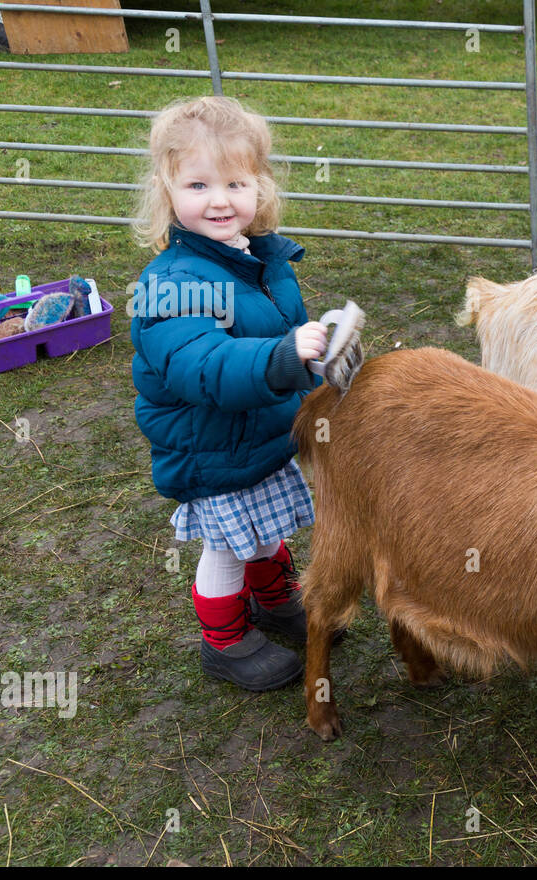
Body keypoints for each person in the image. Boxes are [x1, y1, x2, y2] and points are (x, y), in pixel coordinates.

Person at [130, 96, 328, 691]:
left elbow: (281, 328)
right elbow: (204, 368)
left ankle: (274, 600)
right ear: (168, 190)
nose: (219, 199)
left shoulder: (264, 259)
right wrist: (285, 357)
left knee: (265, 528)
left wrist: (314, 361)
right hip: (210, 448)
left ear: (260, 186)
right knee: (227, 547)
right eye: (198, 184)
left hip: (261, 434)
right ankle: (224, 641)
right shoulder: (169, 283)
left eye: (235, 182)